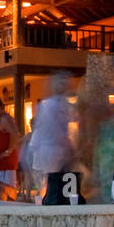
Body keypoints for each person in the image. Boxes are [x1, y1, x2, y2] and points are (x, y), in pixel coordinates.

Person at [30, 72, 81, 205]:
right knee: (54, 181)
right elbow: (58, 130)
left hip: (51, 148)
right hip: (53, 148)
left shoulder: (51, 104)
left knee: (54, 181)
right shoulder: (54, 105)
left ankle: (55, 202)